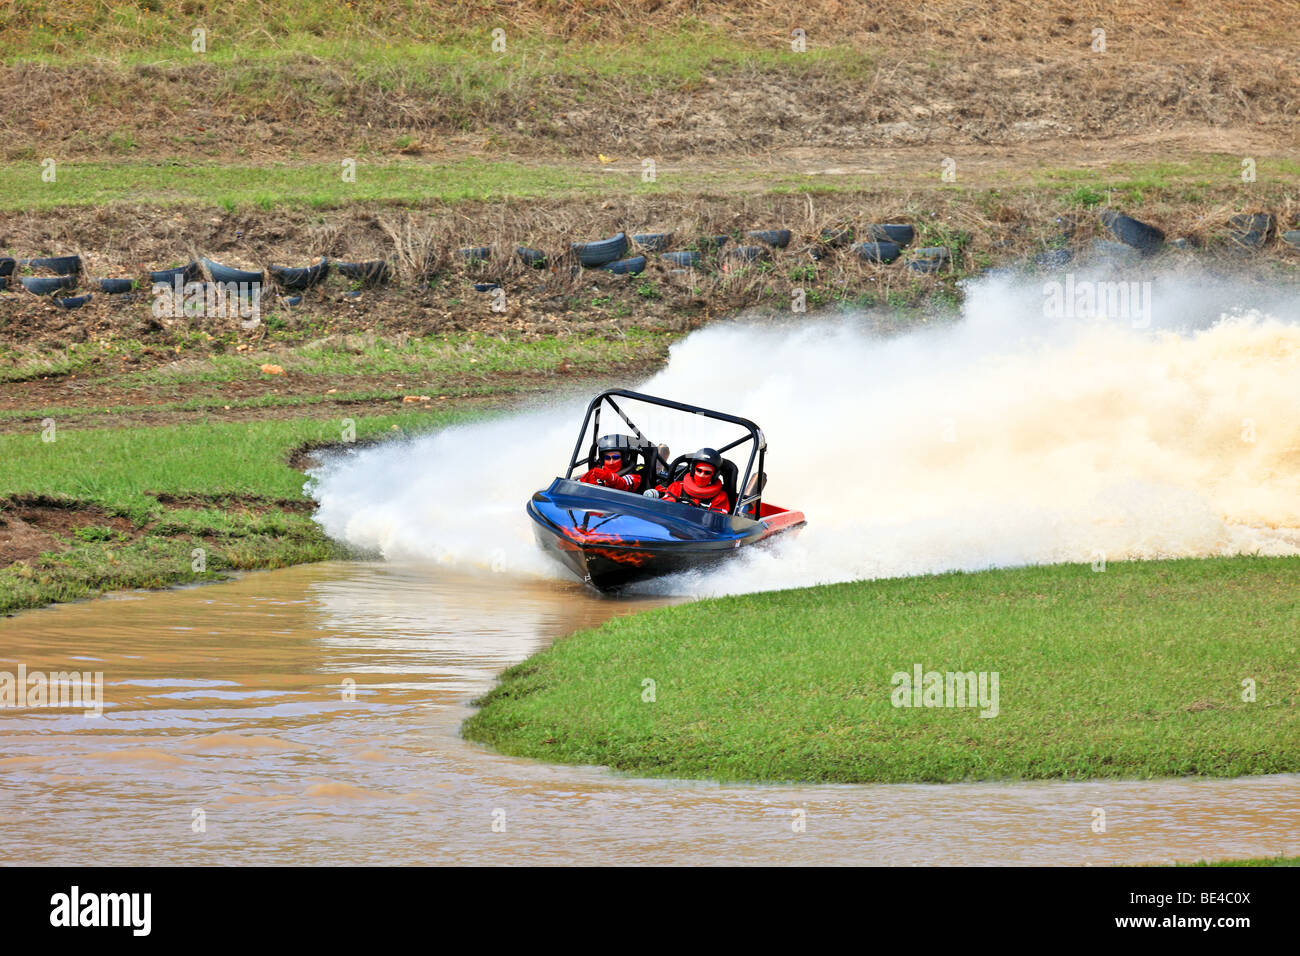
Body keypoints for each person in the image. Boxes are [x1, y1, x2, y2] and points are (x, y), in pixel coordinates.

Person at [644, 448, 730, 513]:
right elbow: (664, 509)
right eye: (699, 470)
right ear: (693, 470)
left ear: (714, 475)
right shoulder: (677, 487)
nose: (701, 475)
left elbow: (716, 524)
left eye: (707, 472)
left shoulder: (720, 497)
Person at [578, 434, 645, 493]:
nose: (611, 462)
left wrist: (610, 478)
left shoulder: (634, 474)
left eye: (615, 457)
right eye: (607, 458)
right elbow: (576, 486)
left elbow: (624, 485)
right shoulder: (595, 472)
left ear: (624, 458)